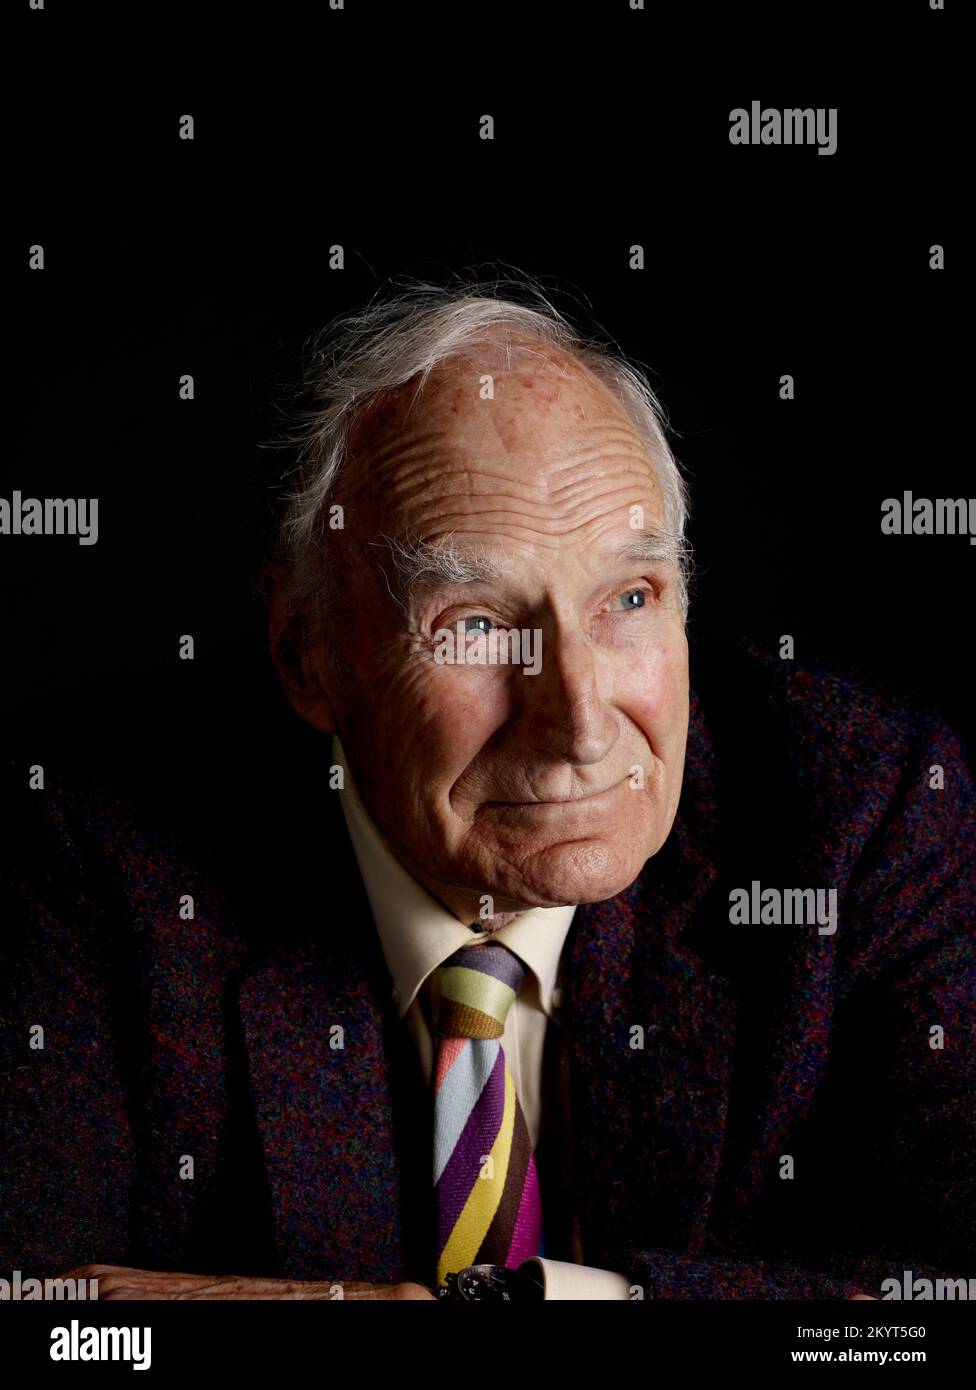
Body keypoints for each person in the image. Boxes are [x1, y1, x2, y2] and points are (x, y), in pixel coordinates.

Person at [3, 278, 973, 1300]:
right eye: (473, 626)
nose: (583, 721)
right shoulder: (80, 835)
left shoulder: (864, 811)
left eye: (629, 598)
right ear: (304, 652)